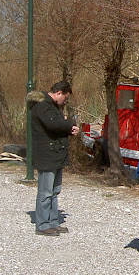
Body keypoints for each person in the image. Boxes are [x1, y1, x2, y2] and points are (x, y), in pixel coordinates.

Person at [27, 81, 80, 235]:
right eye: (65, 97)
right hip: (46, 155)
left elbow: (57, 126)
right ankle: (42, 224)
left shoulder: (52, 106)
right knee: (45, 192)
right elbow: (53, 125)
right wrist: (68, 124)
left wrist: (68, 129)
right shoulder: (42, 106)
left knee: (55, 190)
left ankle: (53, 221)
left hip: (55, 154)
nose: (65, 101)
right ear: (59, 93)